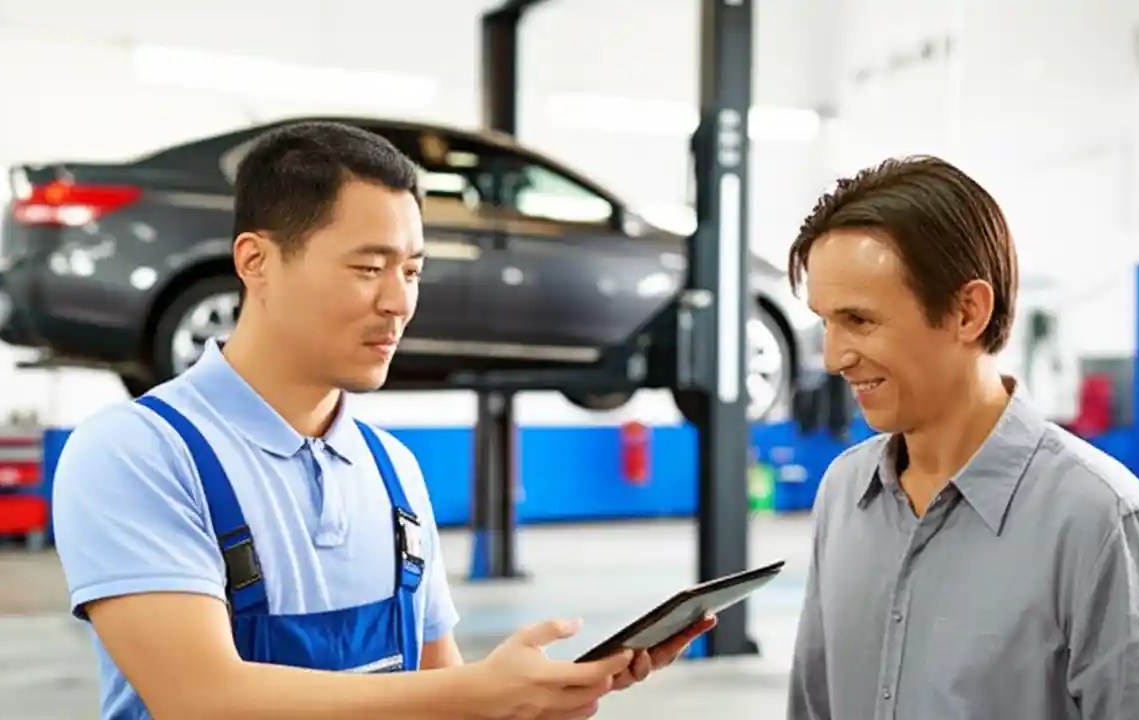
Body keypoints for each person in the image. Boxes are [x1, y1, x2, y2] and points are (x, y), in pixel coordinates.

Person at [52, 121, 712, 720]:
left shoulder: (391, 470)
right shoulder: (137, 453)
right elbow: (201, 699)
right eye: (369, 268)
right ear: (256, 262)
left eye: (413, 271)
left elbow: (436, 696)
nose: (399, 303)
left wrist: (533, 700)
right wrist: (477, 691)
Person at [784, 155, 1139, 719]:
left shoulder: (1103, 524)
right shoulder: (844, 492)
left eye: (860, 320)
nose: (834, 357)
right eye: (825, 321)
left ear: (967, 311)